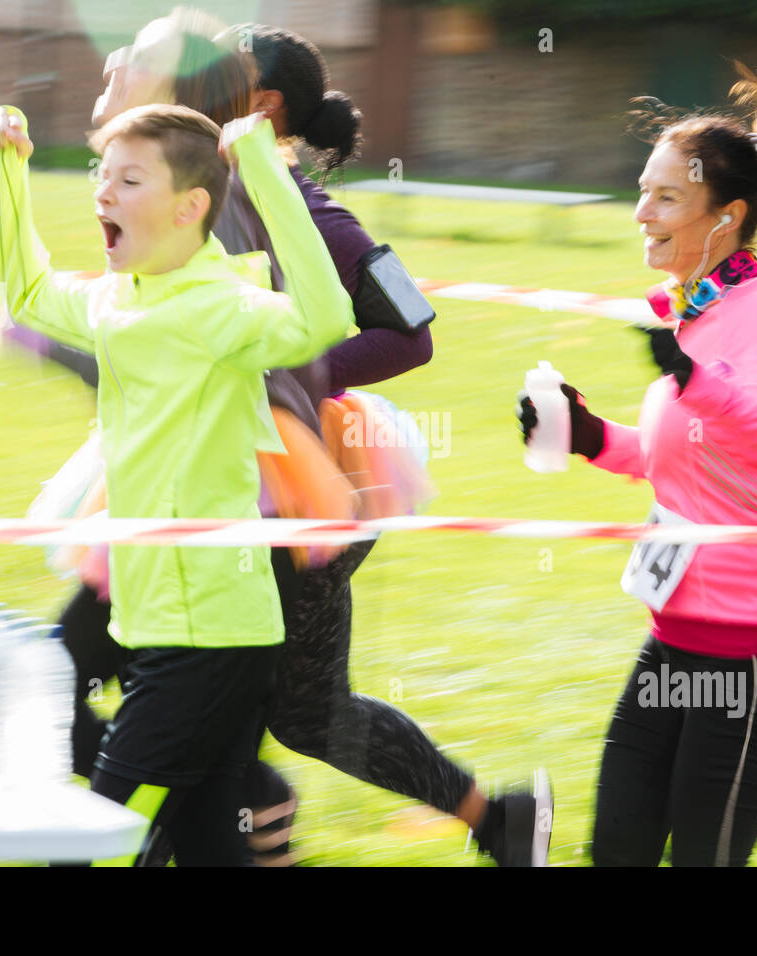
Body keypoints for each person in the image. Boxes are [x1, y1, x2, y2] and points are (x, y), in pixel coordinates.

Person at [32, 11, 550, 866]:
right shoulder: (163, 184)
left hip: (270, 483)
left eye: (139, 60)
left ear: (240, 101)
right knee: (249, 709)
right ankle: (249, 802)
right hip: (182, 472)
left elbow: (408, 329)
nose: (114, 61)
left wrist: (289, 376)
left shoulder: (282, 202)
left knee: (242, 703)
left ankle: (241, 804)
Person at [0, 101, 352, 865]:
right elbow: (31, 297)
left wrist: (269, 179)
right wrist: (3, 169)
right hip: (158, 628)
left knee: (89, 841)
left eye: (128, 180)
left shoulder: (221, 307)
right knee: (209, 841)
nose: (103, 195)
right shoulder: (119, 300)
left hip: (210, 633)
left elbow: (325, 318)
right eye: (99, 177)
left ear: (190, 208)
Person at [518, 47, 757, 866]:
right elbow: (685, 462)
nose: (641, 213)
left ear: (724, 217)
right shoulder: (696, 313)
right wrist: (585, 435)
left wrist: (695, 379)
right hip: (678, 640)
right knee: (617, 846)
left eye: (666, 197)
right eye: (642, 192)